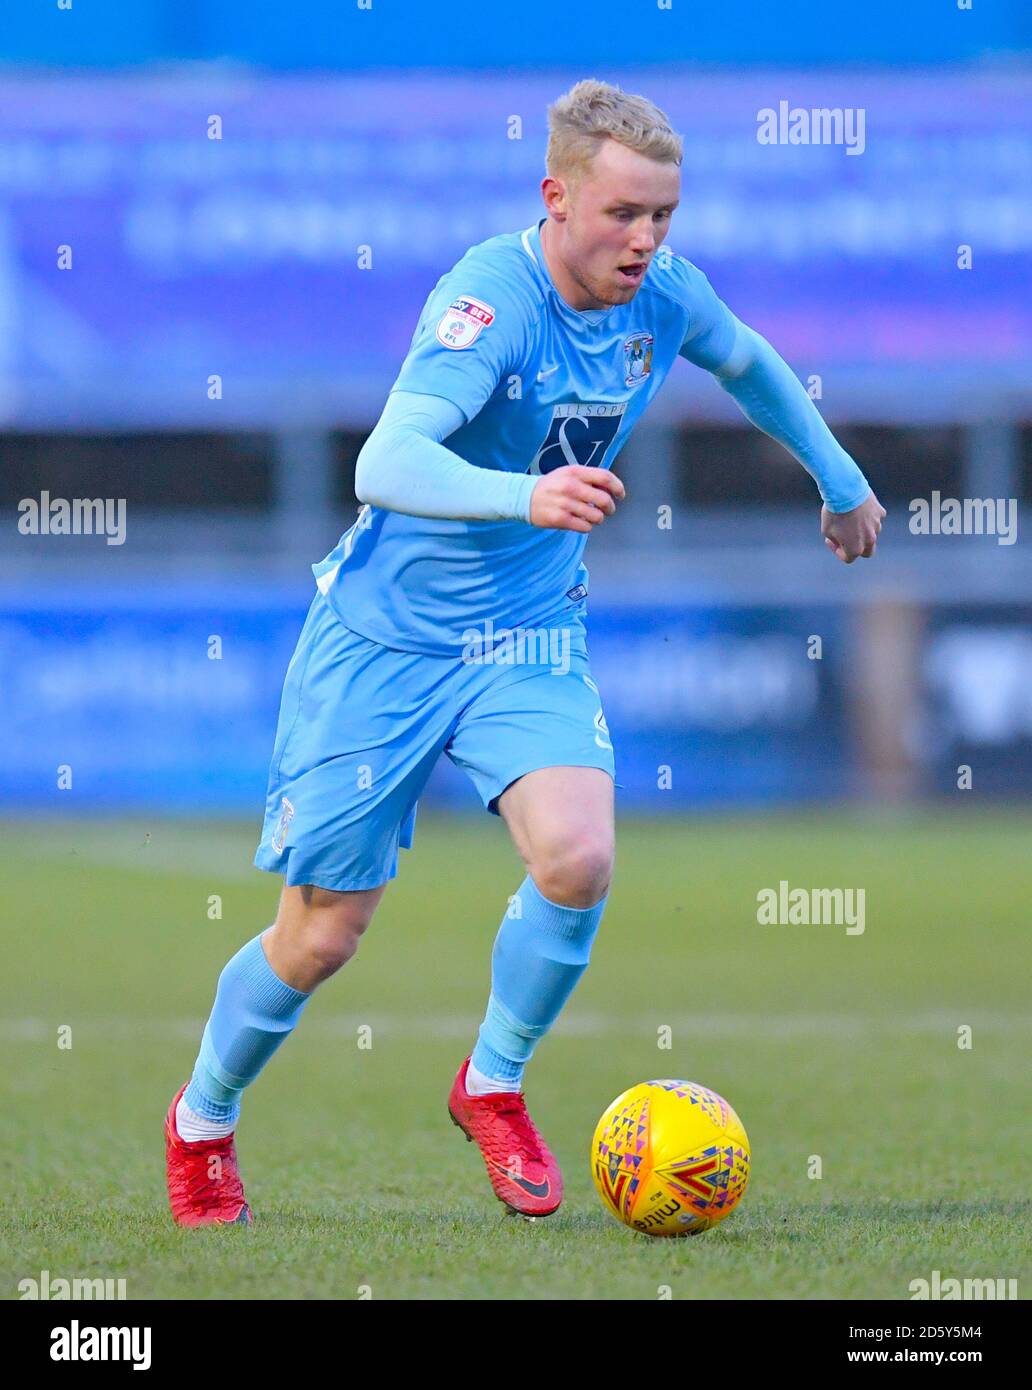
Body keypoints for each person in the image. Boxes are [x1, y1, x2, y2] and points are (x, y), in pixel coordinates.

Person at [165, 78, 885, 1226]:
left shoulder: (666, 295)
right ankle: (202, 1119)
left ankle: (490, 1083)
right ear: (555, 197)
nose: (645, 241)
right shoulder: (487, 301)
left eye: (664, 217)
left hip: (528, 639)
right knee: (323, 933)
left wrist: (841, 482)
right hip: (384, 644)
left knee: (578, 859)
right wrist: (524, 494)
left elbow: (747, 363)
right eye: (622, 216)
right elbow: (385, 464)